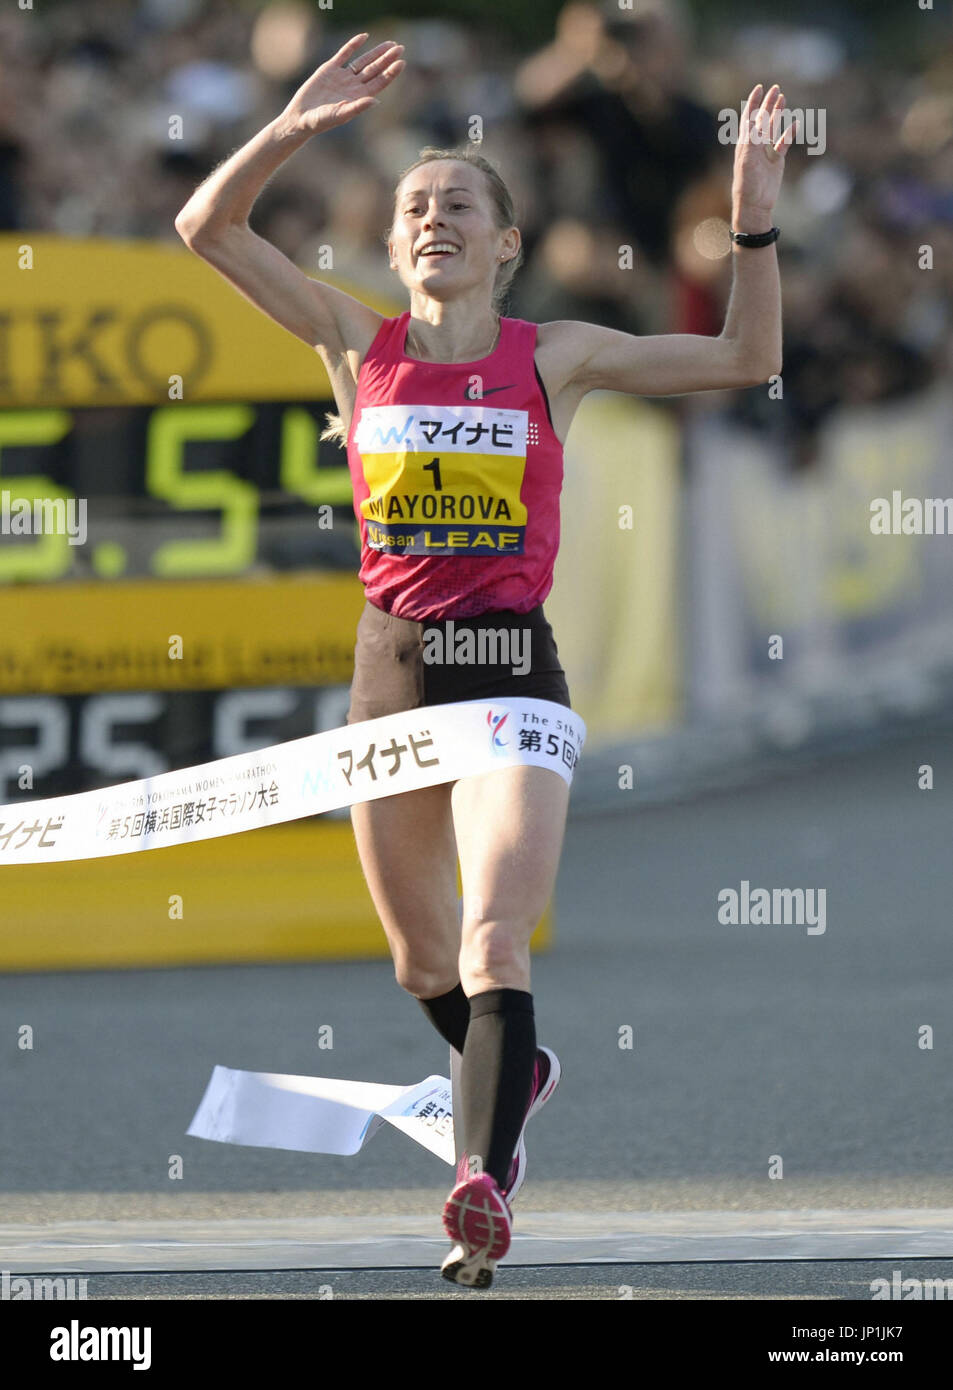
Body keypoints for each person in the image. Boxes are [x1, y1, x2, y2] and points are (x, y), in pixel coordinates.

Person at [175, 30, 792, 1288]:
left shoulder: (554, 355)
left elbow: (746, 360)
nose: (435, 216)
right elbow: (204, 228)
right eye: (415, 206)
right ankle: (510, 1070)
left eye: (460, 202)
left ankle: (476, 1179)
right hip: (389, 672)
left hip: (510, 670)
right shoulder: (351, 340)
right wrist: (292, 127)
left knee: (493, 942)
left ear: (504, 245)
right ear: (396, 246)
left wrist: (751, 233)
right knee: (417, 960)